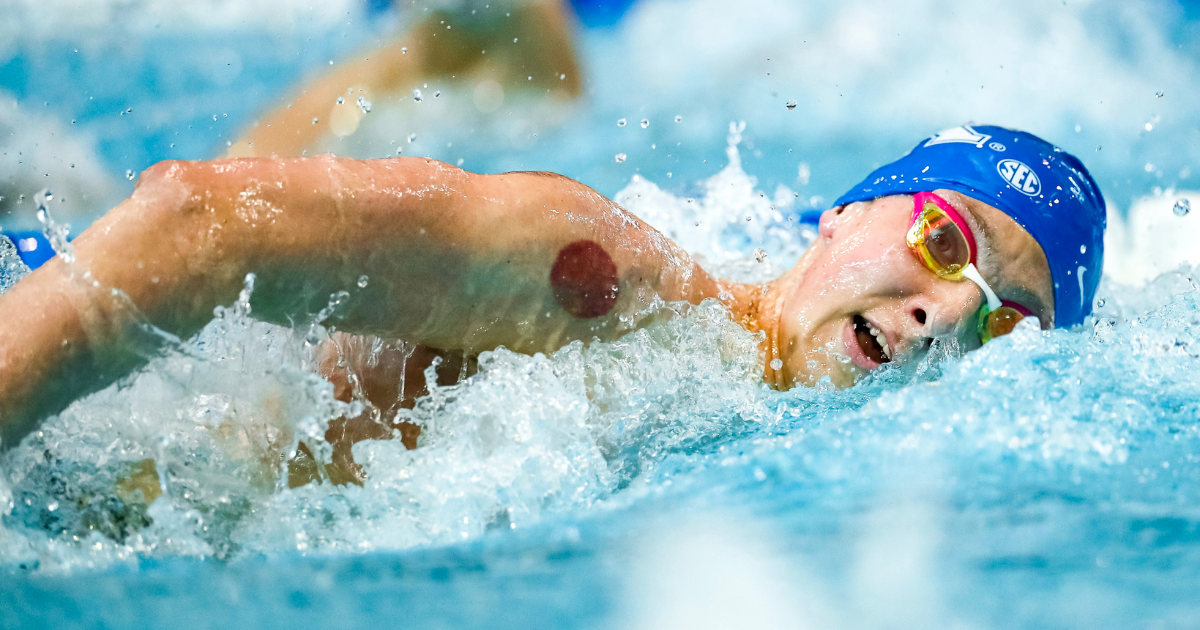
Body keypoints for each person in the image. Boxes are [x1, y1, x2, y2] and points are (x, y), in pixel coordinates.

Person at [0, 125, 1106, 489]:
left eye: (1007, 320)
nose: (946, 316)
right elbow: (204, 221)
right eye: (944, 241)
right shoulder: (614, 288)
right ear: (839, 216)